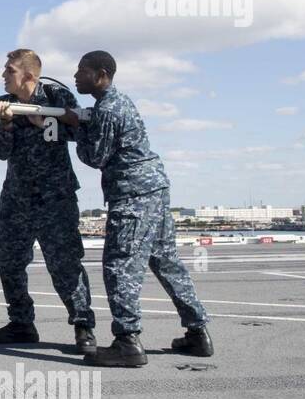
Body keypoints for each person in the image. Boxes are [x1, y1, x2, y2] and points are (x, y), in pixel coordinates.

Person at [60, 50, 212, 367]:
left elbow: (94, 157)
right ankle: (197, 331)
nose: (76, 76)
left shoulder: (107, 110)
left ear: (101, 74)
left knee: (119, 265)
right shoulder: (118, 102)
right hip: (154, 188)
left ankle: (127, 341)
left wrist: (74, 126)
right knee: (166, 262)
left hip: (133, 195)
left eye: (82, 71)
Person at [0, 49, 96, 352]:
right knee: (7, 256)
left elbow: (80, 131)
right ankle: (21, 322)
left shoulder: (56, 96)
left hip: (54, 195)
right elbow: (1, 152)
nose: (3, 75)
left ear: (29, 76)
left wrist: (43, 123)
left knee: (64, 261)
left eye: (9, 70)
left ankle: (83, 325)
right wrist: (4, 125)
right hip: (17, 195)